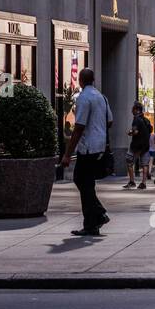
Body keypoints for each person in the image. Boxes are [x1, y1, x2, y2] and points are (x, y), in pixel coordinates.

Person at [60, 67, 111, 238]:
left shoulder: (84, 98)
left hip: (88, 147)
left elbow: (79, 127)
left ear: (81, 81)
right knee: (86, 183)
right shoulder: (101, 97)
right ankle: (95, 219)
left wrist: (67, 153)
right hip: (100, 145)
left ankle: (95, 219)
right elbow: (109, 121)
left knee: (82, 181)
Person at [123, 102, 151, 190]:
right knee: (145, 164)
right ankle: (143, 183)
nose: (132, 110)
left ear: (136, 110)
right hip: (145, 145)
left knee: (129, 161)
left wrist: (130, 132)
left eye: (133, 109)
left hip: (136, 145)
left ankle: (132, 181)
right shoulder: (146, 120)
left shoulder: (136, 119)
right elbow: (150, 129)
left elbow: (135, 132)